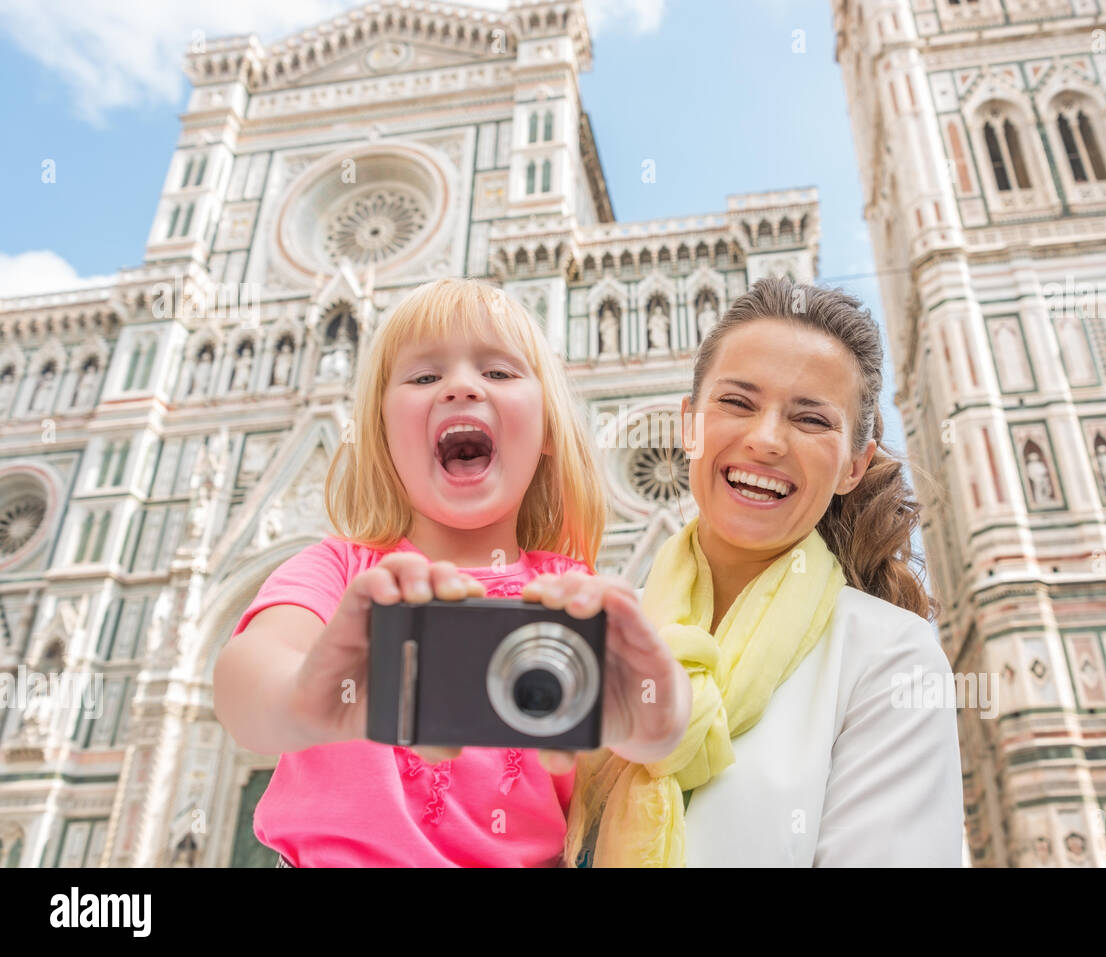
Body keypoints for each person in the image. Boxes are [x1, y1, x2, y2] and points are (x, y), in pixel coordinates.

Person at [213, 278, 689, 867]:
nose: (461, 386)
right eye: (423, 377)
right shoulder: (342, 574)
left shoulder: (570, 594)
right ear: (383, 435)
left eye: (498, 373)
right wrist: (304, 697)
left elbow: (645, 728)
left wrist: (657, 714)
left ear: (545, 433)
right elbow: (246, 681)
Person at [528, 277, 963, 866]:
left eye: (811, 420)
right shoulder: (592, 634)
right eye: (736, 403)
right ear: (688, 426)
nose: (765, 440)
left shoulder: (889, 658)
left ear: (854, 467)